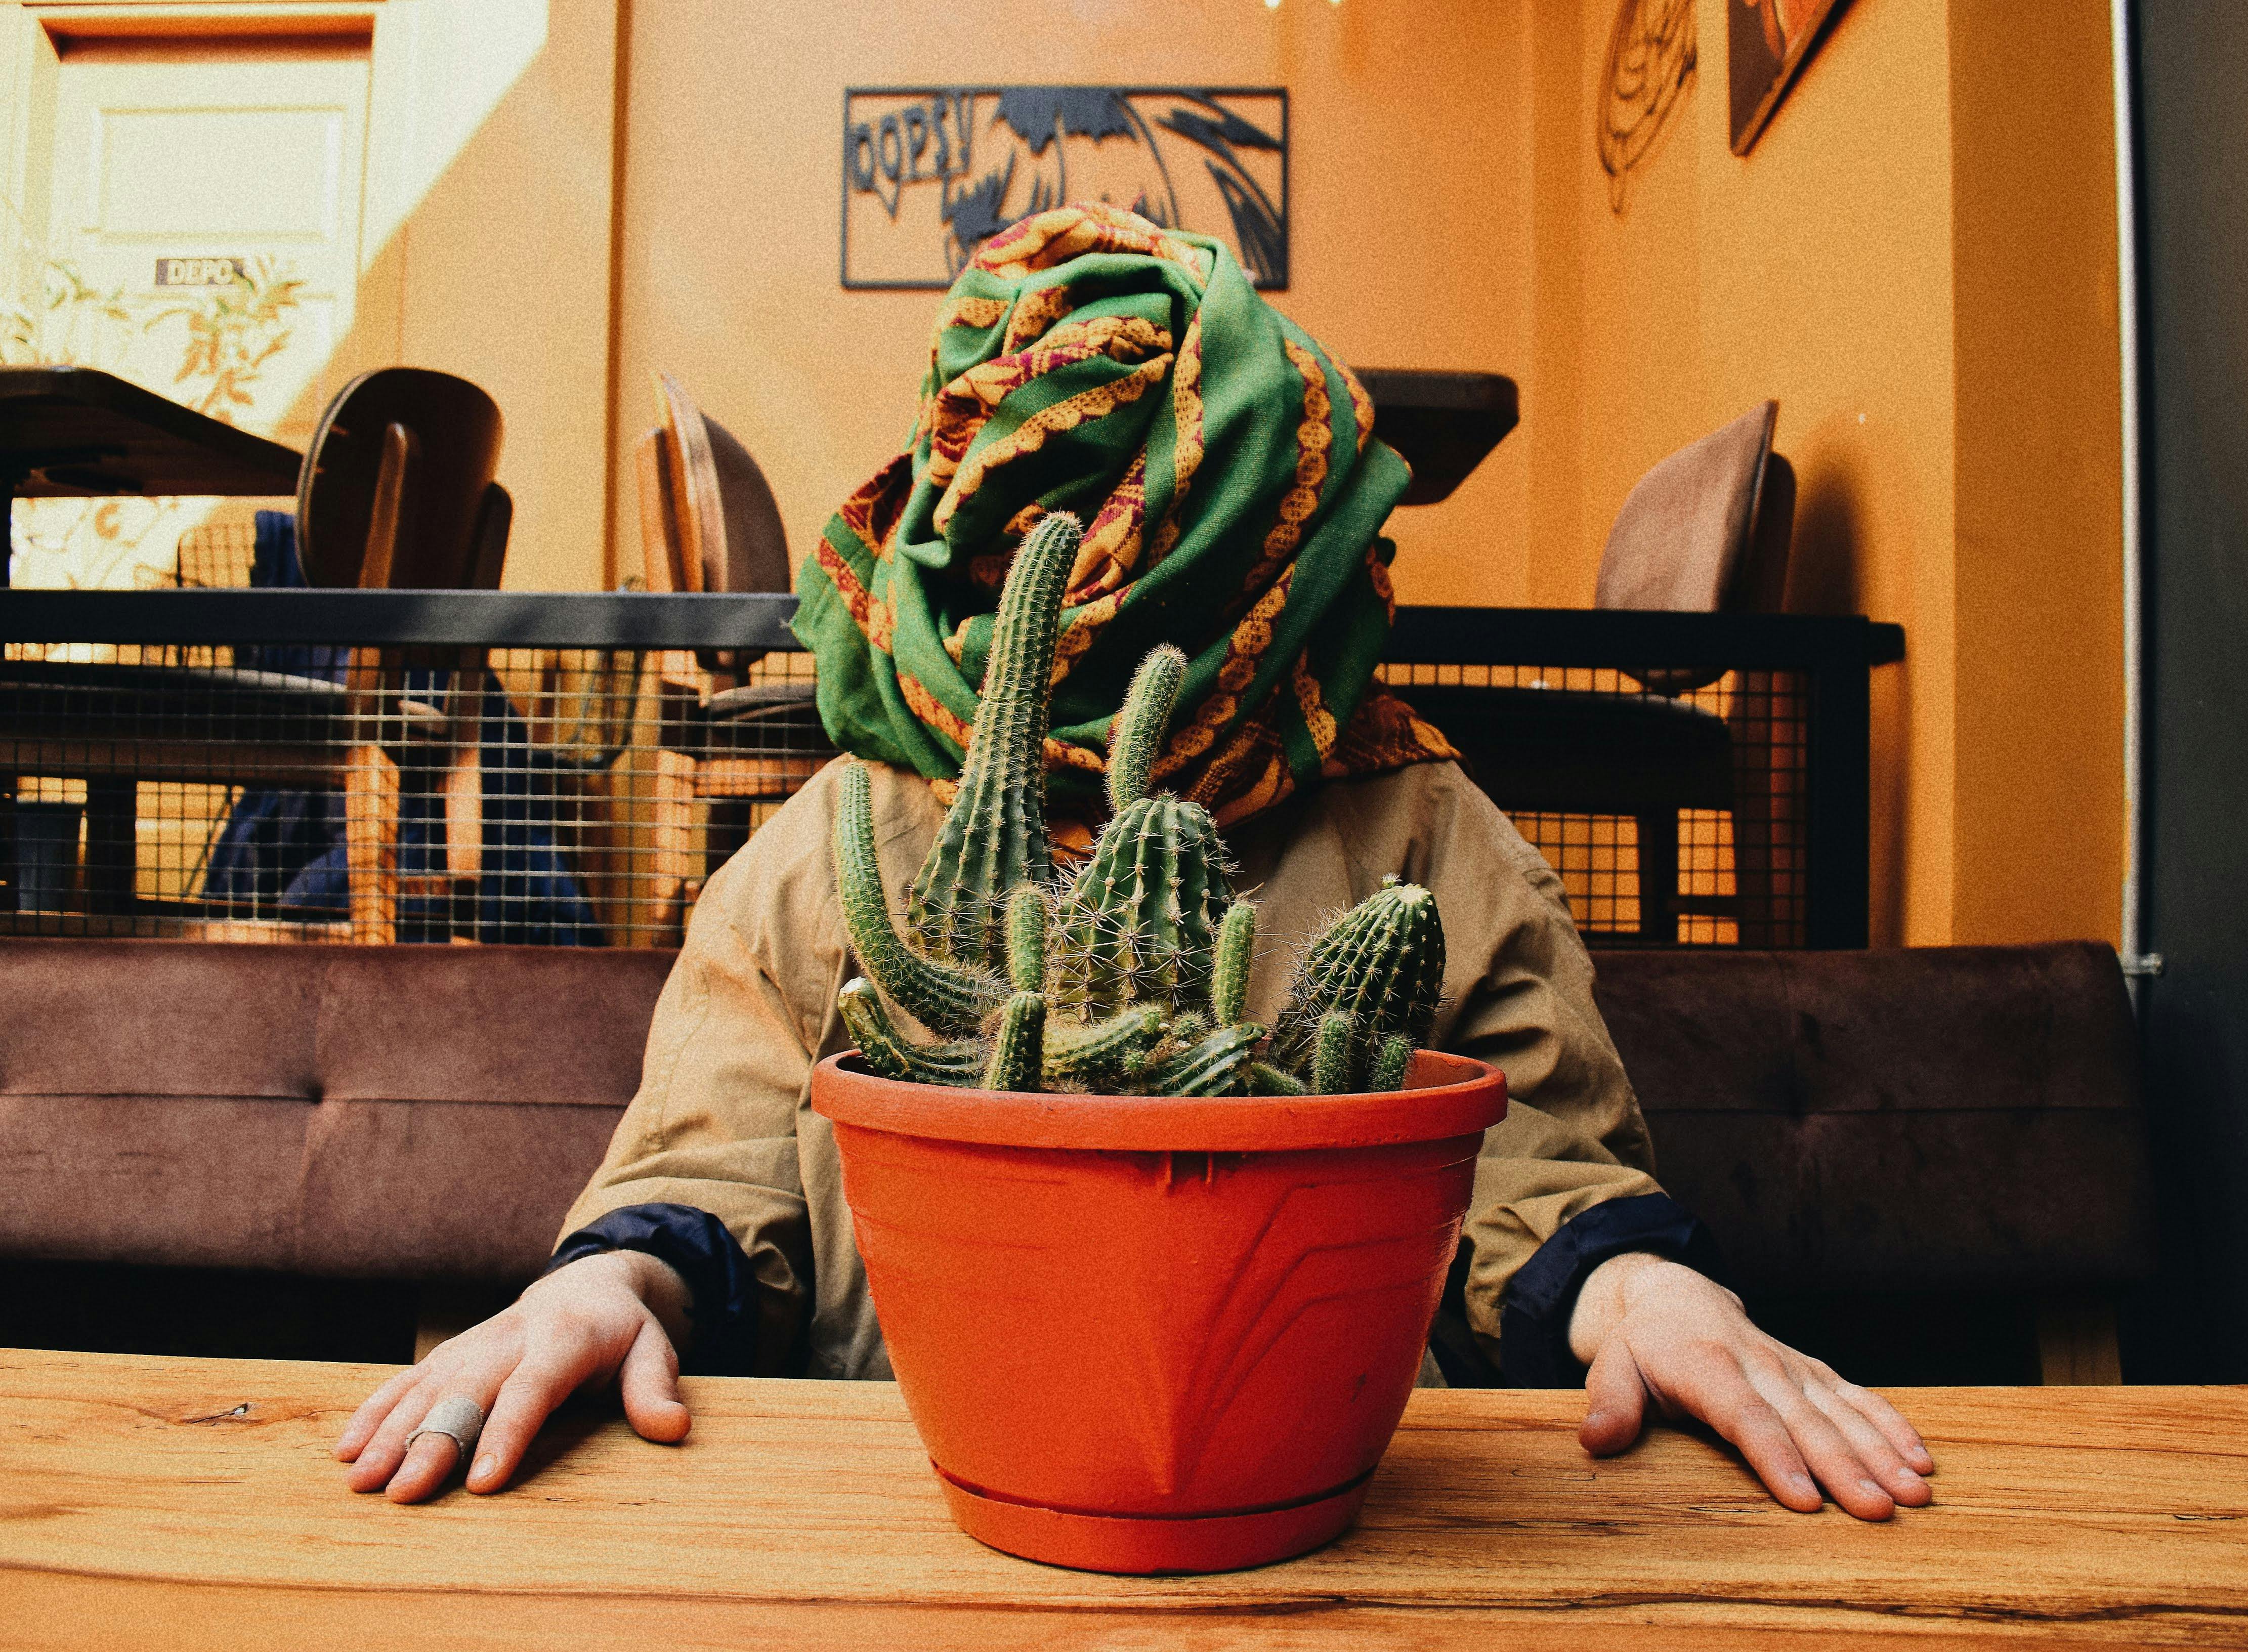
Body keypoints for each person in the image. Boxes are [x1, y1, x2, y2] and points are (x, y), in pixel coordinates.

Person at [336, 205, 1933, 1520]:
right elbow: (712, 1151)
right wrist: (609, 1280)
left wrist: (1637, 1286)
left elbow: (1532, 1155)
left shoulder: (1419, 824)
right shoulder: (844, 834)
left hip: (1317, 1513)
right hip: (905, 1493)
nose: (1123, 617)